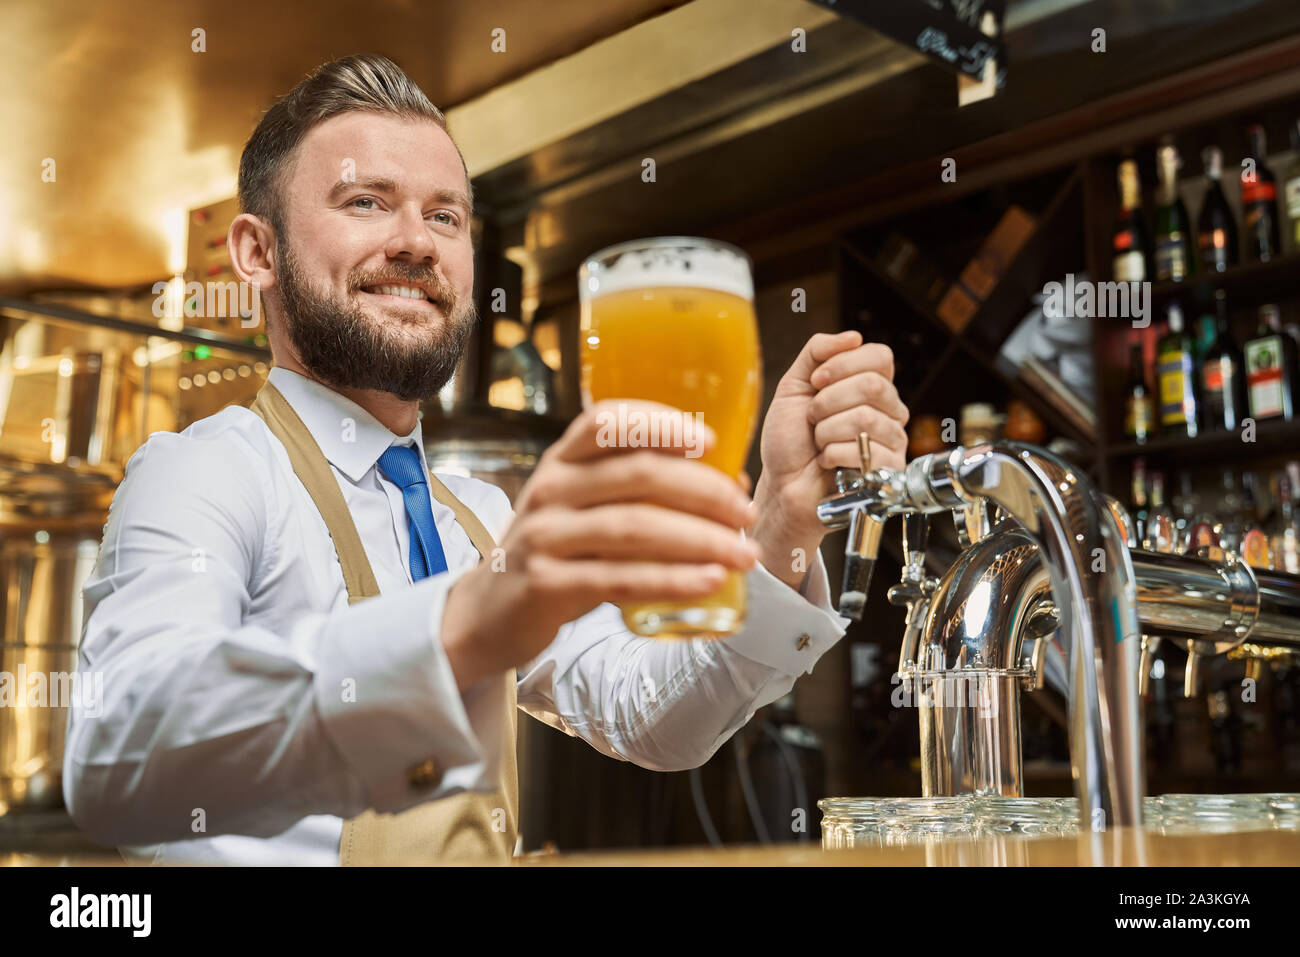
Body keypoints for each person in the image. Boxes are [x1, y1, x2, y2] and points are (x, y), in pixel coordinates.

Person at [62, 54, 910, 865]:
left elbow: (654, 718)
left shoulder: (480, 513)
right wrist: (468, 622)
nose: (417, 243)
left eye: (445, 216)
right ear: (258, 253)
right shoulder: (205, 470)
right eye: (365, 201)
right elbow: (119, 752)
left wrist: (782, 523)